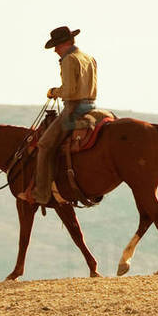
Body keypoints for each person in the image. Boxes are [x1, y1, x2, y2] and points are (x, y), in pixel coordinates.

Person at [22, 26, 98, 206]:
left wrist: (54, 91)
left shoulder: (69, 59)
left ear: (64, 43)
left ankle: (40, 194)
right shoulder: (89, 58)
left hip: (74, 108)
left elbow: (70, 91)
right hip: (92, 106)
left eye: (56, 46)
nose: (55, 50)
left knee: (44, 144)